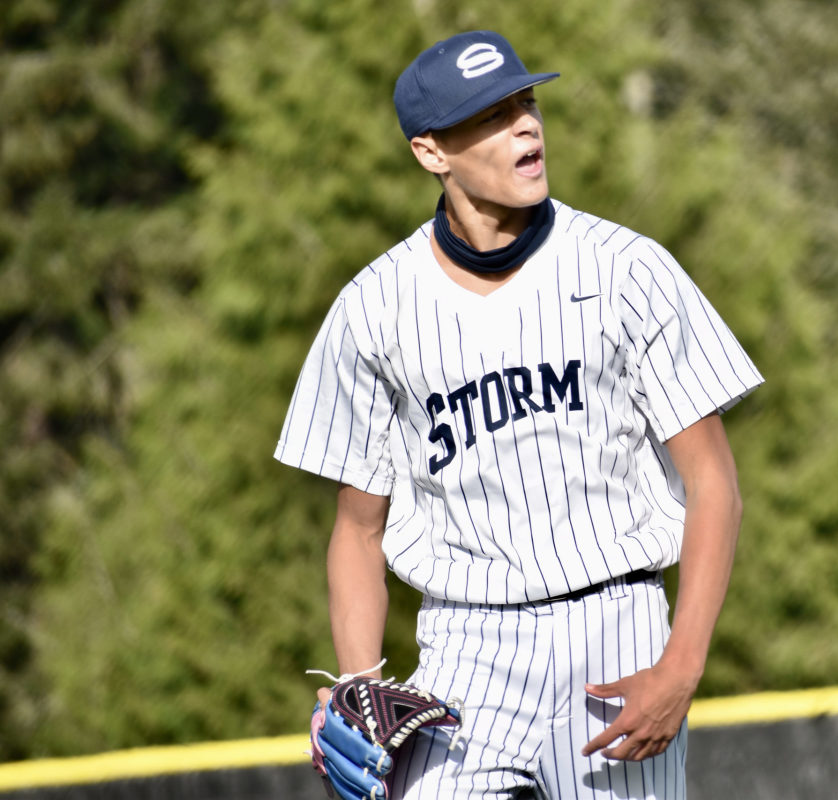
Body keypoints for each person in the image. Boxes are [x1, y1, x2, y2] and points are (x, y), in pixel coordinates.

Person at [275, 29, 763, 800]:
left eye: (526, 102)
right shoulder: (373, 308)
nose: (526, 126)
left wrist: (681, 665)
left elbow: (714, 486)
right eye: (492, 115)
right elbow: (358, 528)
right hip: (465, 648)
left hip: (616, 629)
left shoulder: (627, 270)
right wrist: (357, 685)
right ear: (431, 152)